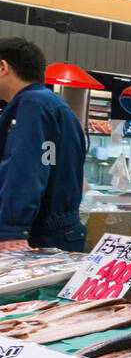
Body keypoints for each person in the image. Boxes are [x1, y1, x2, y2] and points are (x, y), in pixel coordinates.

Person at [0, 37, 88, 252]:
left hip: (38, 236)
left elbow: (26, 168)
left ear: (2, 67)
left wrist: (12, 230)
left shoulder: (33, 104)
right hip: (59, 231)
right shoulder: (54, 105)